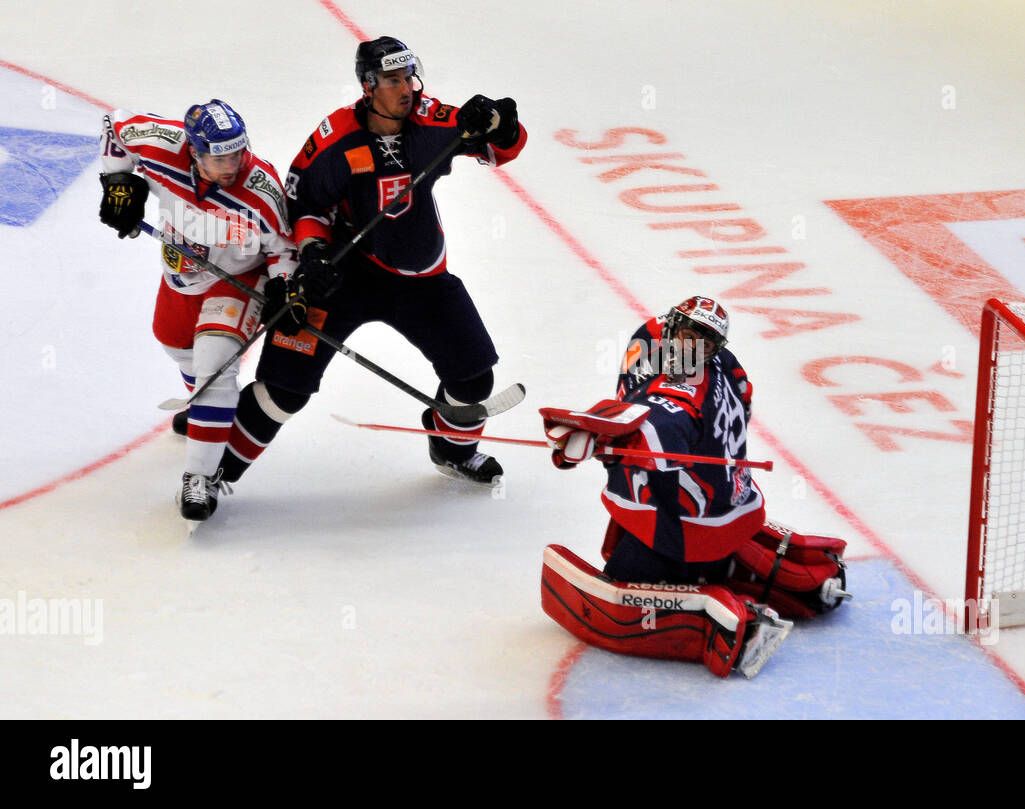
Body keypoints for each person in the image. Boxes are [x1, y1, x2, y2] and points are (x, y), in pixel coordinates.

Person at [216, 36, 526, 488]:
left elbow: (502, 147)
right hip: (343, 273)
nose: (408, 89)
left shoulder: (431, 120)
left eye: (409, 77)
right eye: (394, 80)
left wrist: (499, 120)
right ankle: (216, 471)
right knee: (284, 391)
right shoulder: (336, 138)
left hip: (418, 278)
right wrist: (314, 252)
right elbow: (302, 206)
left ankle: (451, 448)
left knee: (474, 378)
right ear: (368, 85)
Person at [539, 296, 851, 678]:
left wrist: (599, 439)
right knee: (655, 521)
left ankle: (733, 618)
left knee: (621, 571)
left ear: (713, 347)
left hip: (689, 532)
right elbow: (737, 395)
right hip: (736, 511)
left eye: (700, 343)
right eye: (686, 335)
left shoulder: (679, 395)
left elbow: (661, 428)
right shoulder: (726, 364)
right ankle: (776, 575)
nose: (689, 349)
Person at [98, 99, 296, 521]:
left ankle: (200, 478)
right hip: (181, 277)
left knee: (213, 370)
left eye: (238, 154)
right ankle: (208, 407)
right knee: (173, 342)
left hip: (239, 282)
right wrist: (118, 184)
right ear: (193, 149)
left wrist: (282, 284)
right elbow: (116, 126)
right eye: (220, 157)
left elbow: (285, 248)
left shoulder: (261, 190)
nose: (232, 166)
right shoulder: (160, 144)